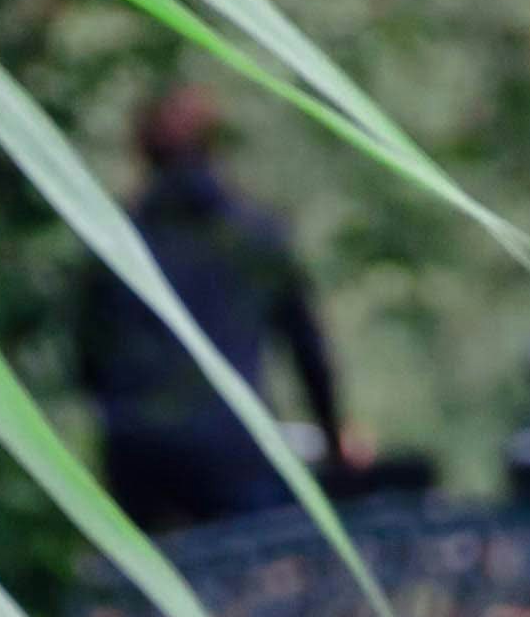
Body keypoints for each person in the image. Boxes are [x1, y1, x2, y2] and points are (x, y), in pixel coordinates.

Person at [78, 82, 363, 532]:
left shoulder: (115, 242)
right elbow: (309, 353)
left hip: (138, 458)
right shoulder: (258, 236)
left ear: (141, 150)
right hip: (234, 454)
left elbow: (89, 363)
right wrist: (333, 443)